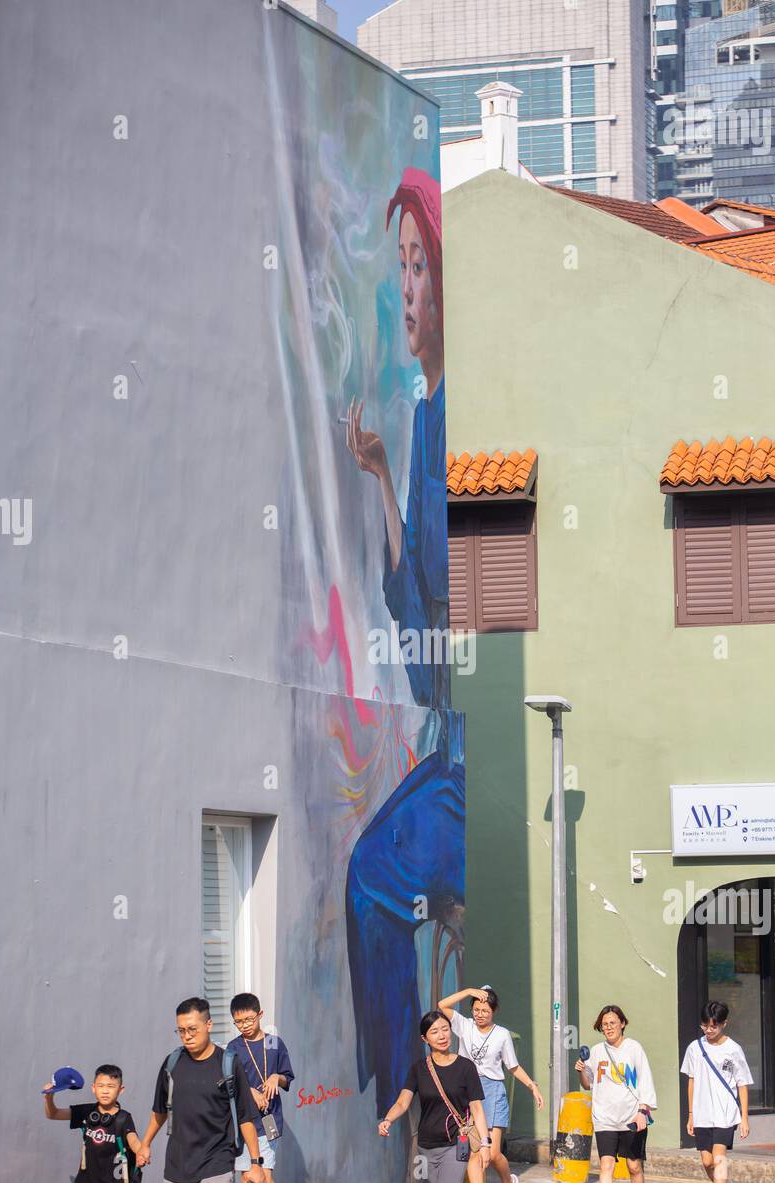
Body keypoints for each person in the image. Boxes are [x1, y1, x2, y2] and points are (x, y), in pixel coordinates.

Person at [345, 167, 465, 1120]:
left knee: (369, 876)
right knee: (370, 882)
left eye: (422, 269)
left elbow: (442, 591)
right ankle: (402, 1092)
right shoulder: (425, 417)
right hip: (440, 731)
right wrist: (384, 475)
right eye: (404, 271)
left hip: (464, 743)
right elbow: (410, 590)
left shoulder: (457, 413)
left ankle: (402, 1092)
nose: (412, 292)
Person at [136, 997, 264, 1183]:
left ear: (208, 1025)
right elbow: (159, 1111)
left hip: (216, 1160)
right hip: (178, 1161)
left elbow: (246, 1118)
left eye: (192, 1028)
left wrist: (255, 1163)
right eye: (181, 1030)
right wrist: (144, 1143)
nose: (187, 1035)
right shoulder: (172, 1064)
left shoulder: (228, 1064)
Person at [378, 1009, 490, 1183]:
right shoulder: (419, 1069)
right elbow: (404, 1101)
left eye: (444, 1029)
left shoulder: (465, 1067)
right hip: (427, 1145)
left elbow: (476, 1107)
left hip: (457, 1144)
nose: (442, 1036)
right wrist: (388, 1120)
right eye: (434, 1032)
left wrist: (485, 1143)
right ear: (425, 1038)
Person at [437, 985, 543, 1183]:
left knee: (493, 1153)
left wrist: (532, 1086)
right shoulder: (464, 1026)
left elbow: (512, 1067)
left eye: (485, 1010)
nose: (480, 1013)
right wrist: (468, 992)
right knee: (475, 1152)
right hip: (468, 1092)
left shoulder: (502, 1035)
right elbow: (442, 1006)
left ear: (494, 1011)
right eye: (476, 1009)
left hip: (493, 1091)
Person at [226, 992, 294, 1183]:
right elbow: (228, 1085)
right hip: (244, 1123)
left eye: (248, 1019)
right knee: (247, 1178)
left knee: (263, 1178)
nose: (244, 1025)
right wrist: (249, 1092)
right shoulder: (232, 1048)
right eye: (238, 1021)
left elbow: (288, 1078)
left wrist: (276, 1077)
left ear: (260, 1015)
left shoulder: (274, 1044)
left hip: (269, 1122)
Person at [576, 1005, 657, 1183]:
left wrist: (643, 1111)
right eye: (604, 1024)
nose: (609, 1027)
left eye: (612, 1022)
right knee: (606, 1163)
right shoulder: (595, 1051)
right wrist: (581, 1069)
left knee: (633, 1166)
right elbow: (587, 1084)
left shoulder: (634, 1049)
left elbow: (645, 1081)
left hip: (631, 1117)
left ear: (622, 1023)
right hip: (604, 1118)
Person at [681, 1000, 752, 1183]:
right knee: (706, 1161)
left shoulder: (733, 1050)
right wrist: (691, 1114)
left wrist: (744, 1117)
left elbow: (742, 1084)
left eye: (713, 1026)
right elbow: (691, 1081)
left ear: (724, 1024)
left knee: (719, 1159)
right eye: (705, 1025)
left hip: (724, 1113)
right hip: (702, 1113)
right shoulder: (694, 1048)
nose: (708, 1030)